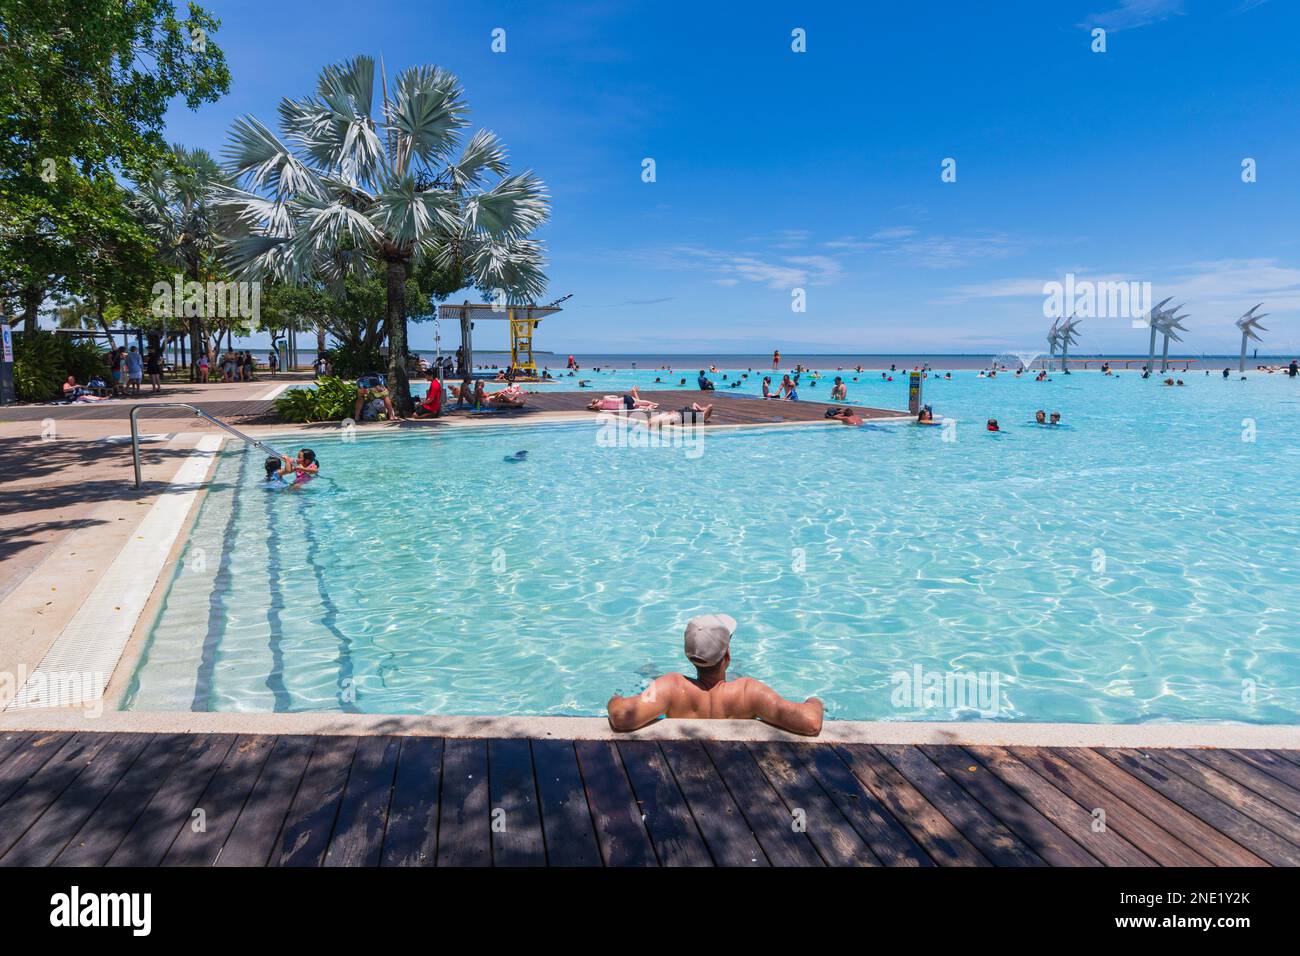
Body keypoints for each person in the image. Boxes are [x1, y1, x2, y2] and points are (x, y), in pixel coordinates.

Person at [605, 614, 824, 736]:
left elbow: (621, 716)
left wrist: (615, 699)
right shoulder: (749, 693)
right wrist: (814, 701)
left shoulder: (671, 688)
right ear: (727, 654)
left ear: (688, 655)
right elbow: (811, 722)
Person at [642, 402, 714, 427]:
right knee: (649, 421)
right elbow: (694, 403)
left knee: (652, 423)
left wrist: (702, 410)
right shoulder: (695, 410)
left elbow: (710, 406)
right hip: (673, 413)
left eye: (705, 408)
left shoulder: (702, 417)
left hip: (678, 417)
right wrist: (701, 409)